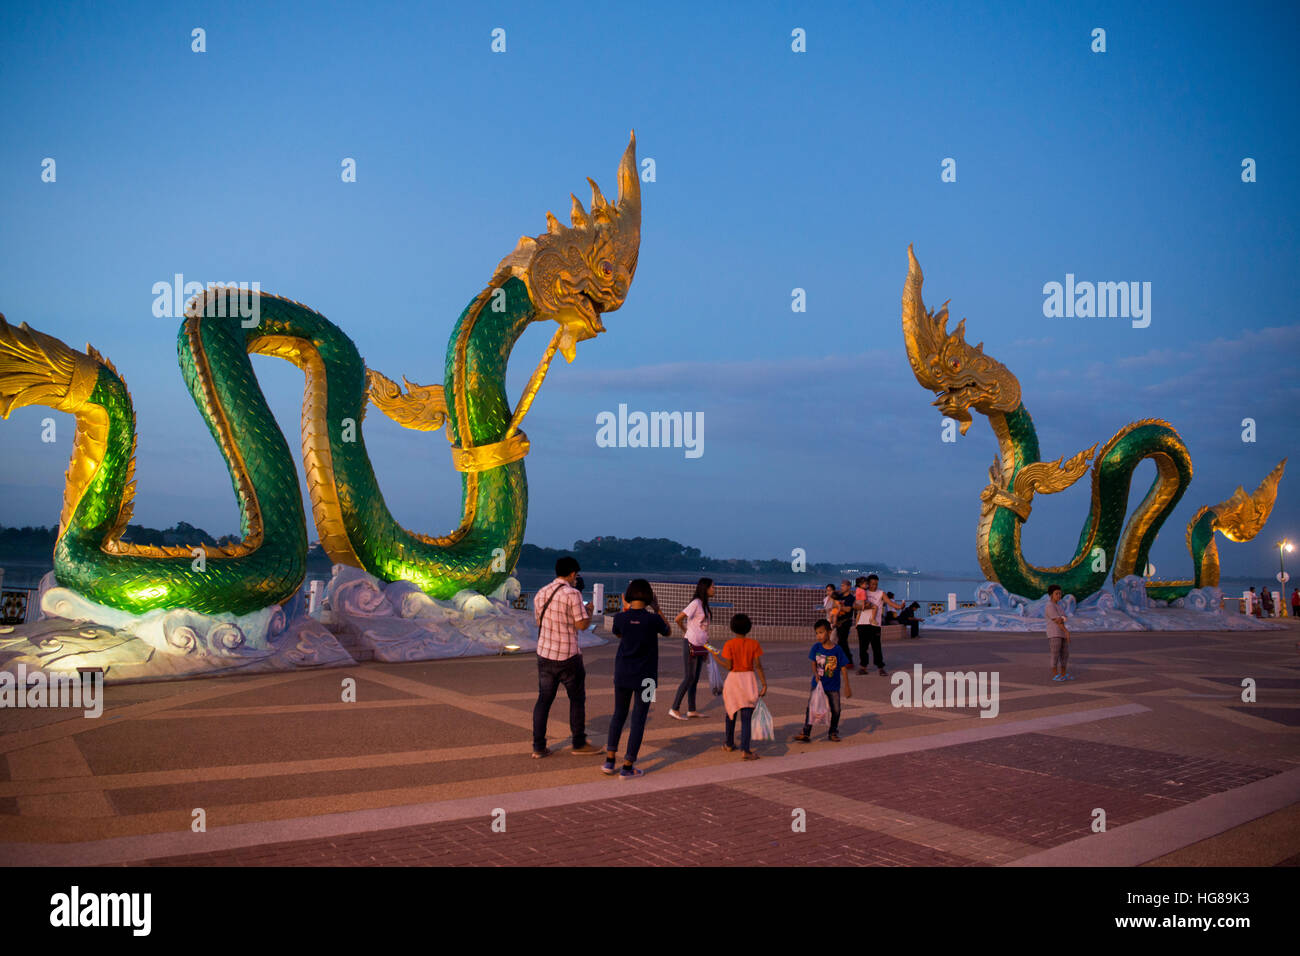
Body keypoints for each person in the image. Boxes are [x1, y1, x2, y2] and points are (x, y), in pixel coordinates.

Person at [532, 556, 603, 758]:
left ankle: (538, 747)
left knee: (544, 700)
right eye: (576, 575)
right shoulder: (572, 594)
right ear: (572, 574)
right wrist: (588, 611)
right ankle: (579, 743)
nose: (576, 578)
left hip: (545, 655)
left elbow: (539, 622)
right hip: (568, 656)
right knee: (577, 700)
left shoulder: (540, 593)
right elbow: (582, 625)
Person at [604, 579, 671, 779]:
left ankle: (609, 761)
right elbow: (668, 631)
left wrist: (627, 614)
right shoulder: (653, 619)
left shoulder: (620, 618)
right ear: (649, 597)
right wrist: (658, 609)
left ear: (629, 595)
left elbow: (618, 634)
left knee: (618, 715)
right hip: (648, 678)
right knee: (639, 719)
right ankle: (627, 765)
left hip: (622, 673)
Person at [709, 613, 767, 760]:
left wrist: (716, 658)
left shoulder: (729, 644)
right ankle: (746, 750)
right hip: (748, 680)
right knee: (746, 717)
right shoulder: (754, 644)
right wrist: (764, 684)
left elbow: (728, 666)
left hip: (733, 681)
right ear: (749, 627)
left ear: (732, 627)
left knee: (731, 713)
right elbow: (758, 666)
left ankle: (729, 744)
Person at [793, 619, 852, 742]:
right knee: (812, 708)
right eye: (816, 633)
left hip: (833, 686)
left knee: (836, 709)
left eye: (821, 632)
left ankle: (833, 732)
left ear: (829, 632)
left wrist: (847, 686)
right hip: (818, 684)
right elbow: (813, 663)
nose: (818, 636)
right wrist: (815, 673)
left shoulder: (837, 650)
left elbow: (843, 668)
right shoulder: (816, 647)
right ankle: (806, 732)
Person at [669, 578, 713, 720]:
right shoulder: (695, 603)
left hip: (701, 645)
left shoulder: (704, 605)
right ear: (705, 588)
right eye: (712, 587)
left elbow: (704, 629)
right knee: (689, 677)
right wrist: (686, 632)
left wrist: (707, 647)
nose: (715, 589)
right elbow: (678, 618)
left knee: (695, 679)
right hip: (691, 643)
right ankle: (674, 708)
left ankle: (692, 710)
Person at [856, 574, 900, 676]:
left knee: (876, 647)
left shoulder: (881, 593)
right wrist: (857, 621)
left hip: (875, 624)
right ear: (868, 583)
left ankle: (880, 667)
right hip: (862, 623)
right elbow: (857, 605)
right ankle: (863, 667)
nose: (874, 586)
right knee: (863, 647)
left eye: (876, 584)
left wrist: (899, 607)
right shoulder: (863, 591)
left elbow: (889, 602)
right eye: (872, 584)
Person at [1045, 584, 1072, 682]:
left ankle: (1064, 673)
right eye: (1057, 593)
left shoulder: (1058, 606)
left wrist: (1062, 619)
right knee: (1055, 654)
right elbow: (1058, 620)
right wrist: (1066, 631)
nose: (1059, 595)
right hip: (1054, 633)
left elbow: (1064, 618)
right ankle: (1056, 674)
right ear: (1051, 595)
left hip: (1062, 633)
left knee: (1065, 654)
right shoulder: (1049, 606)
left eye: (1060, 593)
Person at [833, 580, 856, 667]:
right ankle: (847, 660)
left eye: (843, 586)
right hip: (838, 622)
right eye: (841, 585)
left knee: (842, 641)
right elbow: (833, 599)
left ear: (849, 587)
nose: (841, 587)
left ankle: (847, 661)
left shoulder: (850, 598)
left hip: (846, 622)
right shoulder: (840, 596)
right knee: (842, 642)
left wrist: (839, 607)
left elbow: (849, 609)